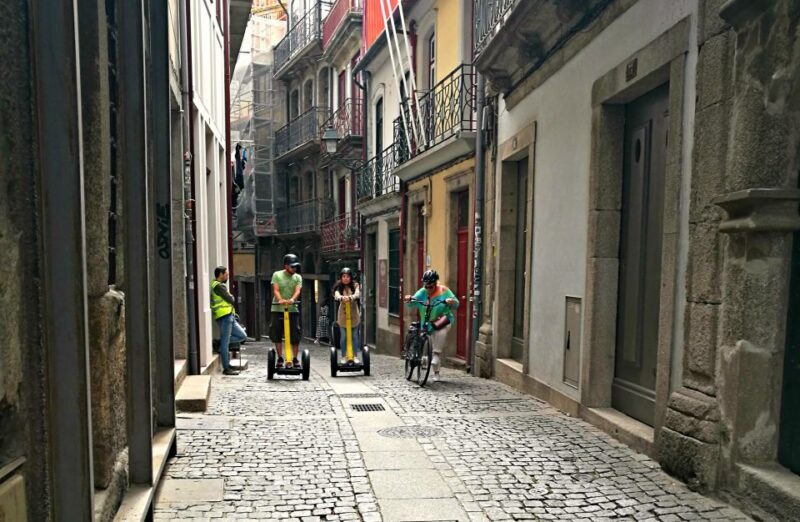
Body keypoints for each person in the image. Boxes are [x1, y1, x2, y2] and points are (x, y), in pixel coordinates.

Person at [404, 270, 459, 382]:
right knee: (422, 340)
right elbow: (411, 304)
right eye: (426, 285)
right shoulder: (422, 292)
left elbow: (456, 303)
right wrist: (408, 299)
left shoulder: (443, 290)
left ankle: (436, 366)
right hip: (427, 323)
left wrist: (450, 301)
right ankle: (418, 357)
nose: (428, 288)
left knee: (439, 335)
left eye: (431, 286)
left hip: (442, 321)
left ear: (435, 283)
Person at [211, 266, 245, 376]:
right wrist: (231, 297)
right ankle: (226, 368)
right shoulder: (219, 286)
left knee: (242, 335)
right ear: (220, 274)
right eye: (226, 274)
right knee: (225, 344)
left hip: (230, 315)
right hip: (224, 316)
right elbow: (230, 299)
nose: (227, 276)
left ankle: (218, 343)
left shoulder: (221, 286)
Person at [270, 253, 303, 367]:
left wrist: (292, 300)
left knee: (295, 334)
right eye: (292, 266)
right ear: (286, 266)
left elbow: (298, 290)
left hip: (292, 309)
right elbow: (276, 290)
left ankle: (294, 358)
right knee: (277, 333)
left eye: (296, 267)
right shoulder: (277, 275)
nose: (294, 268)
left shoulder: (298, 277)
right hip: (277, 309)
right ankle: (280, 358)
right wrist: (280, 300)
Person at [333, 268, 361, 364]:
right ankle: (344, 356)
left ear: (350, 277)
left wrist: (351, 297)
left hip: (354, 314)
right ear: (341, 277)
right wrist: (340, 297)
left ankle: (355, 355)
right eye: (344, 276)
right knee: (343, 337)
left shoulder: (355, 285)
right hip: (343, 315)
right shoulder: (338, 286)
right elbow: (336, 294)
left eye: (347, 276)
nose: (345, 278)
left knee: (354, 336)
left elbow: (357, 294)